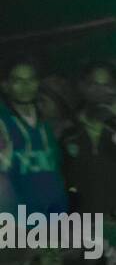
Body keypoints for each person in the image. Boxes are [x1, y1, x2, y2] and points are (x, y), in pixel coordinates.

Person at [0, 57, 67, 217]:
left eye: (31, 80)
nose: (25, 86)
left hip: (54, 216)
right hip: (16, 223)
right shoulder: (3, 122)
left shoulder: (46, 121)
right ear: (5, 85)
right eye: (18, 80)